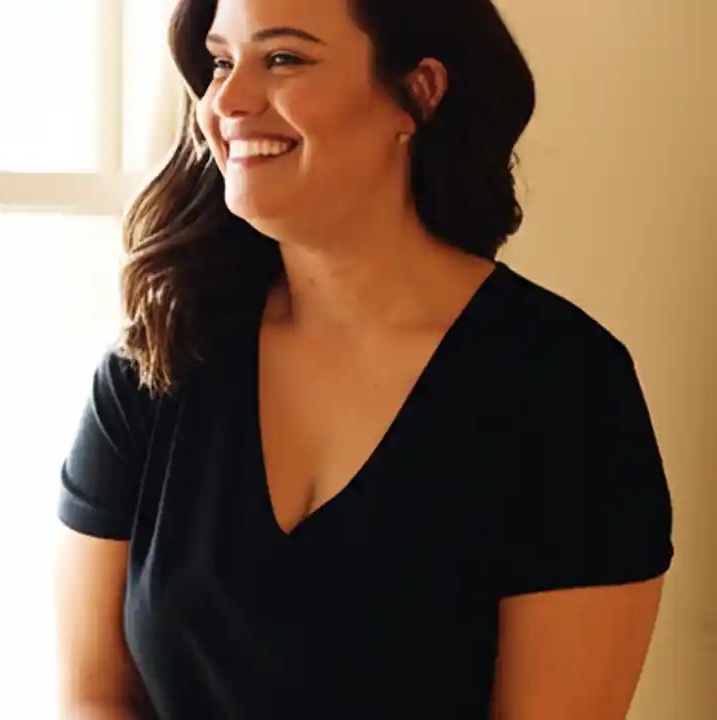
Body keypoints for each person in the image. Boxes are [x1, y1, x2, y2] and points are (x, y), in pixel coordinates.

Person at [55, 0, 673, 717]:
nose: (226, 101)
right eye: (221, 62)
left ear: (419, 91)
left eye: (283, 58)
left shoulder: (566, 388)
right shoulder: (157, 360)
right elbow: (94, 697)